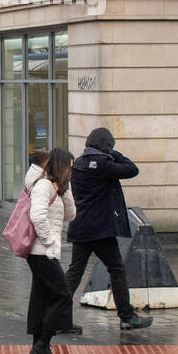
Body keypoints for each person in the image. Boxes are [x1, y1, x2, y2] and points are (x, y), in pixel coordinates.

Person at [65, 128, 153, 331]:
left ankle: (57, 314)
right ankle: (127, 316)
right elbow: (132, 169)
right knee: (117, 269)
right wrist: (113, 153)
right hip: (100, 229)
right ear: (106, 145)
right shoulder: (104, 164)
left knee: (75, 272)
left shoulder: (78, 163)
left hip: (80, 226)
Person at [25, 148, 77, 354]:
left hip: (45, 251)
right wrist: (50, 242)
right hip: (41, 252)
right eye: (70, 168)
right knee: (63, 295)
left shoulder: (57, 187)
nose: (72, 172)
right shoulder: (43, 185)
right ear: (60, 166)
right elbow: (36, 216)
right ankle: (43, 345)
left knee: (41, 298)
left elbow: (71, 214)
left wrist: (65, 189)